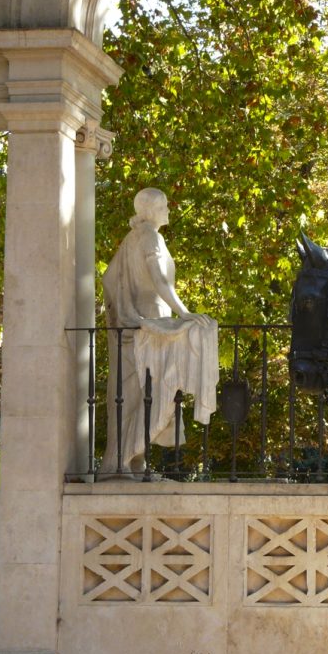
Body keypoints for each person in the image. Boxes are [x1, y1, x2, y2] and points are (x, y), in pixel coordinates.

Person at [99, 188, 215, 477]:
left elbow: (109, 278)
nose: (168, 211)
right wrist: (184, 313)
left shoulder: (132, 239)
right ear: (151, 210)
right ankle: (121, 462)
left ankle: (133, 460)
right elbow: (161, 282)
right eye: (164, 206)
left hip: (143, 322)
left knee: (138, 393)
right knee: (144, 392)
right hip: (149, 323)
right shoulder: (150, 236)